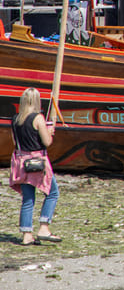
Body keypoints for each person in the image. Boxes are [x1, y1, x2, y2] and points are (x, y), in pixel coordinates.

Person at [9, 88, 59, 246]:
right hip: (37, 161)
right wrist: (49, 132)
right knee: (52, 193)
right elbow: (47, 142)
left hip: (21, 162)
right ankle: (44, 227)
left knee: (28, 199)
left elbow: (15, 142)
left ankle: (26, 235)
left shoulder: (15, 119)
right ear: (37, 100)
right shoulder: (38, 118)